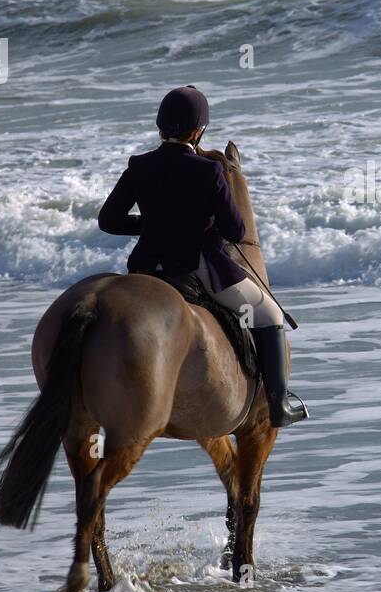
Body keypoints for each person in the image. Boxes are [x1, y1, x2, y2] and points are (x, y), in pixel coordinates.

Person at [97, 85, 308, 427]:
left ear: (161, 128)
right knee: (268, 312)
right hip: (198, 266)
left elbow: (109, 220)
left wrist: (153, 225)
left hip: (147, 265)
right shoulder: (209, 171)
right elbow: (236, 232)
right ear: (198, 131)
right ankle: (279, 405)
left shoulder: (139, 166)